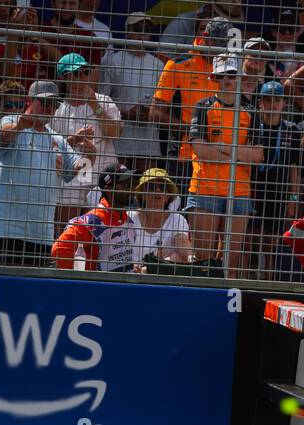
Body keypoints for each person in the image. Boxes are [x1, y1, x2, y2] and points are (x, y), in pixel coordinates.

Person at [0, 79, 92, 268]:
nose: (49, 108)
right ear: (30, 101)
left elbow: (80, 173)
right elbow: (6, 135)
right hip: (4, 230)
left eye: (53, 104)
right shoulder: (10, 121)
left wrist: (91, 156)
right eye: (44, 102)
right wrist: (20, 126)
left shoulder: (57, 139)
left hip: (40, 235)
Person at [186, 54, 260, 273]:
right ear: (213, 77)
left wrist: (221, 147)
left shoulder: (251, 110)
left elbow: (257, 156)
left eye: (231, 74)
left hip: (238, 191)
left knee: (231, 260)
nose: (227, 79)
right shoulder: (203, 106)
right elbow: (199, 149)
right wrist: (238, 153)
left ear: (239, 77)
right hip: (204, 189)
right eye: (221, 75)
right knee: (203, 259)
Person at [152, 16, 233, 194]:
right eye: (216, 44)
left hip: (220, 155)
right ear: (205, 36)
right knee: (179, 215)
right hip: (184, 156)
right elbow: (155, 112)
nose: (219, 51)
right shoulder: (178, 64)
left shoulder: (230, 67)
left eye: (223, 45)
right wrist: (191, 130)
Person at [51, 52, 122, 225]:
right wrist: (73, 140)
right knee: (66, 228)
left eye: (85, 72)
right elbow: (50, 148)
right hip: (72, 178)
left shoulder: (103, 101)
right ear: (64, 78)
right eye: (76, 73)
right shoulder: (57, 110)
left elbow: (115, 133)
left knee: (99, 231)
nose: (82, 77)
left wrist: (93, 104)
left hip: (101, 178)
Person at [249, 80, 303, 280]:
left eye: (277, 100)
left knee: (271, 245)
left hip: (278, 193)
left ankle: (266, 283)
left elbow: (294, 167)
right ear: (260, 102)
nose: (272, 104)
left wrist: (293, 198)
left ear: (284, 103)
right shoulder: (251, 125)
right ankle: (243, 281)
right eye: (268, 99)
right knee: (248, 241)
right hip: (250, 190)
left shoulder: (292, 130)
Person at [101, 13, 168, 170]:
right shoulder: (112, 62)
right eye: (137, 28)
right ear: (127, 30)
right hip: (119, 142)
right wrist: (126, 113)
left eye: (146, 29)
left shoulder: (158, 66)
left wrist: (151, 112)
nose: (142, 33)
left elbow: (163, 105)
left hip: (149, 143)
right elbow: (101, 101)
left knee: (146, 188)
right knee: (119, 189)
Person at [52, 163, 139, 270]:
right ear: (108, 189)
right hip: (98, 286)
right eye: (126, 186)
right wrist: (79, 281)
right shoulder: (94, 221)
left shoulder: (128, 220)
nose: (132, 189)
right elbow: (60, 249)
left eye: (133, 184)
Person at [129, 166, 192, 270]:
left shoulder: (177, 219)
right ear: (142, 194)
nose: (157, 190)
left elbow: (182, 241)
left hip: (163, 275)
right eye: (152, 187)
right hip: (130, 274)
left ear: (167, 195)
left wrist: (190, 257)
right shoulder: (129, 218)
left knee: (179, 256)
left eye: (162, 187)